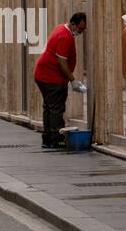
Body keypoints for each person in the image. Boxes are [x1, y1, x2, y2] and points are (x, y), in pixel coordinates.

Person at [34, 13, 87, 150]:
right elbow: (62, 62)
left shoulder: (60, 28)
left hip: (42, 74)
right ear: (73, 24)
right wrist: (73, 80)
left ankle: (47, 139)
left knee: (49, 107)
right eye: (80, 29)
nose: (81, 32)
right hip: (51, 77)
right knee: (56, 109)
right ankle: (57, 139)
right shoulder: (65, 36)